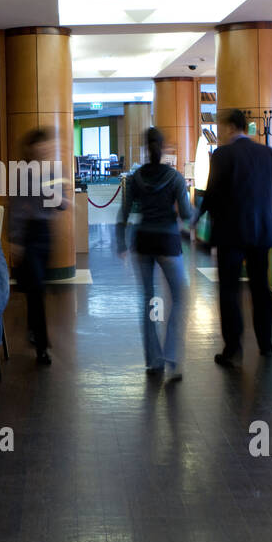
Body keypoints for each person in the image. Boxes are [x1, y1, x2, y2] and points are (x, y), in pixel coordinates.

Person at [202, 108, 272, 366]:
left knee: (229, 291)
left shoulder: (222, 154)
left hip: (230, 233)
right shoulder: (268, 153)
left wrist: (205, 223)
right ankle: (266, 344)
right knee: (260, 289)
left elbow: (213, 194)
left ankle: (233, 348)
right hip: (261, 232)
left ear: (229, 128)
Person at [116, 127, 192, 382]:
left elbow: (124, 213)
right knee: (180, 297)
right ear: (164, 147)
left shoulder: (137, 177)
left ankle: (154, 361)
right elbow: (187, 214)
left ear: (145, 148)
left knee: (149, 300)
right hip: (168, 242)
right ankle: (171, 355)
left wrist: (121, 244)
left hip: (143, 241)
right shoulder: (175, 177)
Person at [9, 128, 66, 364]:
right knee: (37, 291)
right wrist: (15, 239)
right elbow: (15, 208)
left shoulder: (53, 172)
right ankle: (42, 346)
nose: (43, 148)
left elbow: (60, 205)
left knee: (37, 289)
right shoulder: (21, 174)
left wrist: (60, 199)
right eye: (39, 145)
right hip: (29, 234)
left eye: (46, 144)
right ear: (31, 148)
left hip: (46, 234)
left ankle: (34, 331)